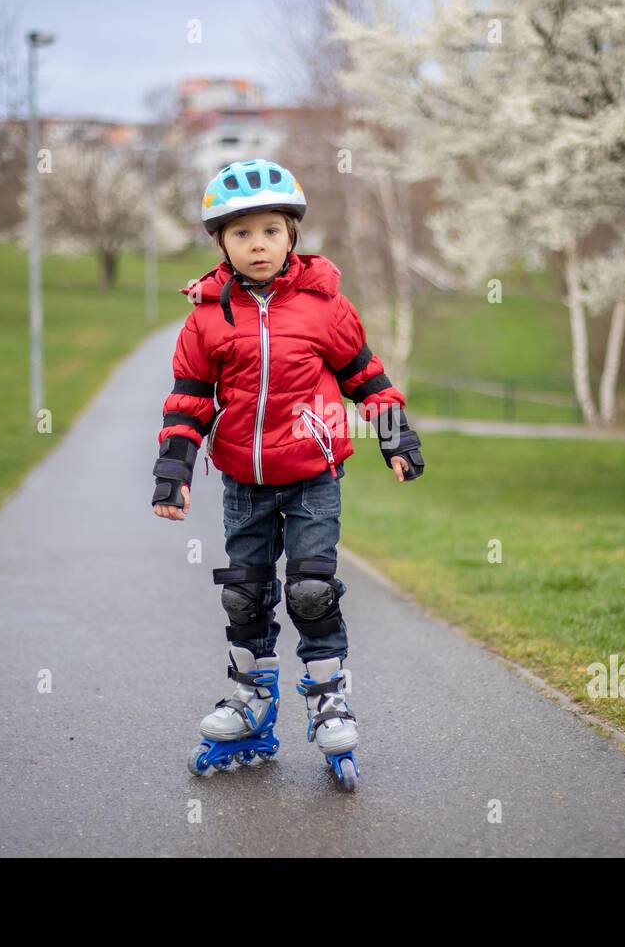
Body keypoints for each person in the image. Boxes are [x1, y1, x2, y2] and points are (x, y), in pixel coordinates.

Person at [151, 158, 425, 789]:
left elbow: (367, 379)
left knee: (310, 589)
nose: (258, 244)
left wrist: (395, 439)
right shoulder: (206, 320)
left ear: (292, 235)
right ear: (220, 242)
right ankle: (251, 703)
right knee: (244, 594)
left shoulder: (325, 307)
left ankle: (330, 700)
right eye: (242, 233)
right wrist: (174, 469)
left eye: (271, 230)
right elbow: (189, 400)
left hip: (312, 475)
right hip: (244, 482)